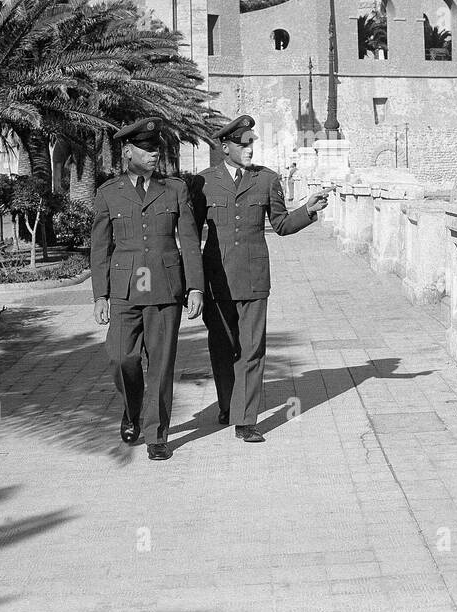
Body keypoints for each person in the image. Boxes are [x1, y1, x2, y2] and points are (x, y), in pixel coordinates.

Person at [193, 115, 329, 442]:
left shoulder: (267, 180)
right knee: (223, 348)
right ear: (225, 147)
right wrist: (192, 283)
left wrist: (308, 210)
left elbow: (281, 225)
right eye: (242, 144)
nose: (249, 149)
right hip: (217, 279)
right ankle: (228, 404)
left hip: (254, 279)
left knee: (252, 350)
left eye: (251, 143)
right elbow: (189, 234)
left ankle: (246, 420)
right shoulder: (203, 182)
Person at [91, 118, 204, 461]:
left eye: (157, 149)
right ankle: (132, 407)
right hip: (125, 289)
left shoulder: (174, 190)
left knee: (161, 364)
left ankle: (157, 434)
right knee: (120, 357)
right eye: (147, 149)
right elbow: (99, 247)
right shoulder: (108, 193)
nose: (154, 154)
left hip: (166, 289)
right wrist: (100, 295)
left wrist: (195, 286)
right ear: (127, 152)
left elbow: (188, 239)